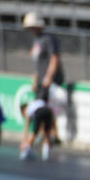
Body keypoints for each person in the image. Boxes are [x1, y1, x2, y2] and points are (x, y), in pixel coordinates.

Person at [23, 11, 66, 146]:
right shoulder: (37, 40)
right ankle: (45, 134)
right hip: (41, 79)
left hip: (50, 81)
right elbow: (38, 63)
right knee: (42, 107)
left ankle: (52, 134)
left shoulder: (48, 39)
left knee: (48, 108)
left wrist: (48, 76)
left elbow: (54, 58)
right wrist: (36, 78)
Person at [19, 97, 56, 162]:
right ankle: (45, 153)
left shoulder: (28, 110)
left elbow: (26, 128)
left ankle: (26, 151)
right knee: (46, 133)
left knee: (34, 133)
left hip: (40, 112)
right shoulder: (35, 104)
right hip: (49, 111)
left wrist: (24, 141)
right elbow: (42, 127)